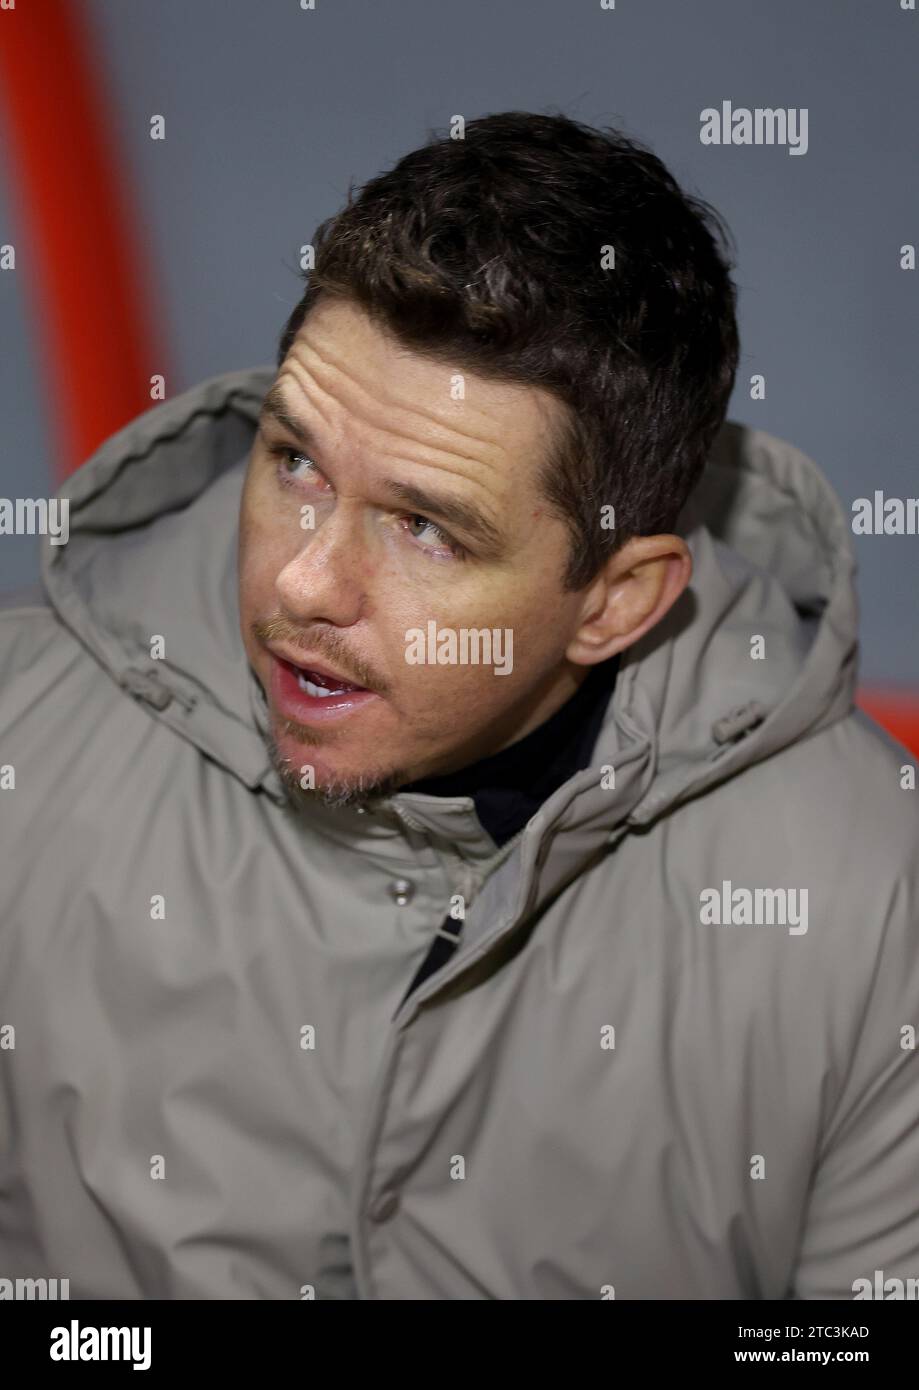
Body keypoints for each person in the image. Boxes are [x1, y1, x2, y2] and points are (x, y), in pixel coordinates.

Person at [1, 111, 917, 1300]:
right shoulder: (21, 741)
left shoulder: (866, 899)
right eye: (294, 465)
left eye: (425, 527)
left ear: (618, 600)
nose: (301, 580)